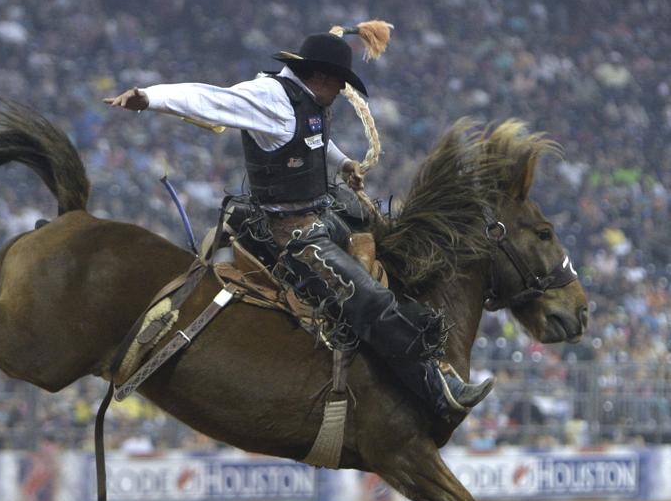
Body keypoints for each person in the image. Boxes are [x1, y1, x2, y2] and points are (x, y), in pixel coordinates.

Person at [105, 31, 493, 423]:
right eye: (340, 83)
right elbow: (212, 99)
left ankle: (405, 342)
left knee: (378, 236)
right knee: (369, 301)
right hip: (291, 235)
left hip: (318, 213)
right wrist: (150, 98)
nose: (342, 91)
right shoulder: (269, 98)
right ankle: (436, 387)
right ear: (321, 78)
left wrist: (342, 164)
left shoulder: (306, 102)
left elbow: (314, 140)